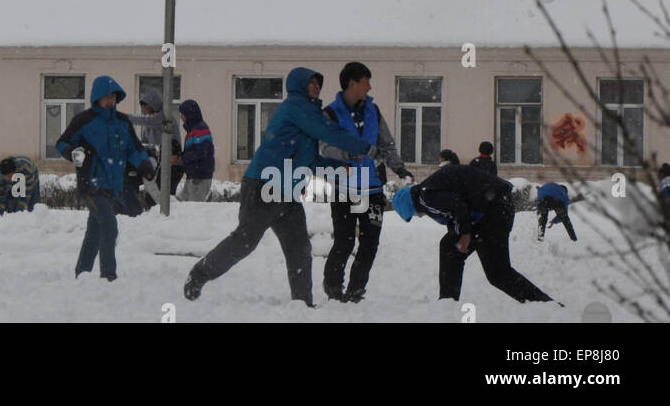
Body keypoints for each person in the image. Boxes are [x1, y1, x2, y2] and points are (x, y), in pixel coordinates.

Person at [184, 67, 371, 305]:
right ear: (300, 85)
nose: (316, 87)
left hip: (288, 194)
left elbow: (312, 160)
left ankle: (302, 304)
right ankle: (200, 273)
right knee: (245, 241)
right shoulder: (296, 107)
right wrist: (361, 147)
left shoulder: (310, 116)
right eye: (311, 83)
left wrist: (340, 165)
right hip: (264, 185)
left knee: (300, 249)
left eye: (318, 83)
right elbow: (327, 131)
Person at [320, 61, 414, 303]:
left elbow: (386, 144)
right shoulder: (330, 113)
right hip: (344, 187)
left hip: (371, 188)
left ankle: (356, 291)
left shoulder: (374, 110)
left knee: (370, 242)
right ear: (353, 83)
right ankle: (333, 289)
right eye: (366, 82)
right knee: (344, 241)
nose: (369, 87)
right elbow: (323, 148)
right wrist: (347, 155)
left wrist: (399, 168)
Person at [392, 164, 553, 303]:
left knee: (497, 272)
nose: (419, 216)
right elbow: (455, 214)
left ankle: (544, 304)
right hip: (496, 205)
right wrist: (462, 232)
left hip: (494, 209)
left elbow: (457, 205)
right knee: (456, 250)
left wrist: (465, 234)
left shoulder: (425, 197)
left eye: (413, 215)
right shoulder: (429, 190)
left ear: (409, 206)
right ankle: (448, 300)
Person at [55, 75, 152, 282]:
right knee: (109, 224)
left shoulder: (123, 122)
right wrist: (72, 153)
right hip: (91, 184)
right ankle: (108, 276)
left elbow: (134, 149)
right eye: (106, 97)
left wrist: (144, 164)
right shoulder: (84, 120)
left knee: (95, 231)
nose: (110, 101)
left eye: (113, 97)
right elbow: (61, 143)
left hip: (113, 186)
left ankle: (82, 273)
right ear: (97, 98)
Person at [178, 100, 215, 202]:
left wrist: (183, 158)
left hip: (200, 176)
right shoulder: (192, 130)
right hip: (194, 175)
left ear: (189, 114)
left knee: (194, 208)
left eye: (182, 114)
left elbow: (201, 152)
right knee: (186, 204)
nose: (181, 117)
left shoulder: (200, 130)